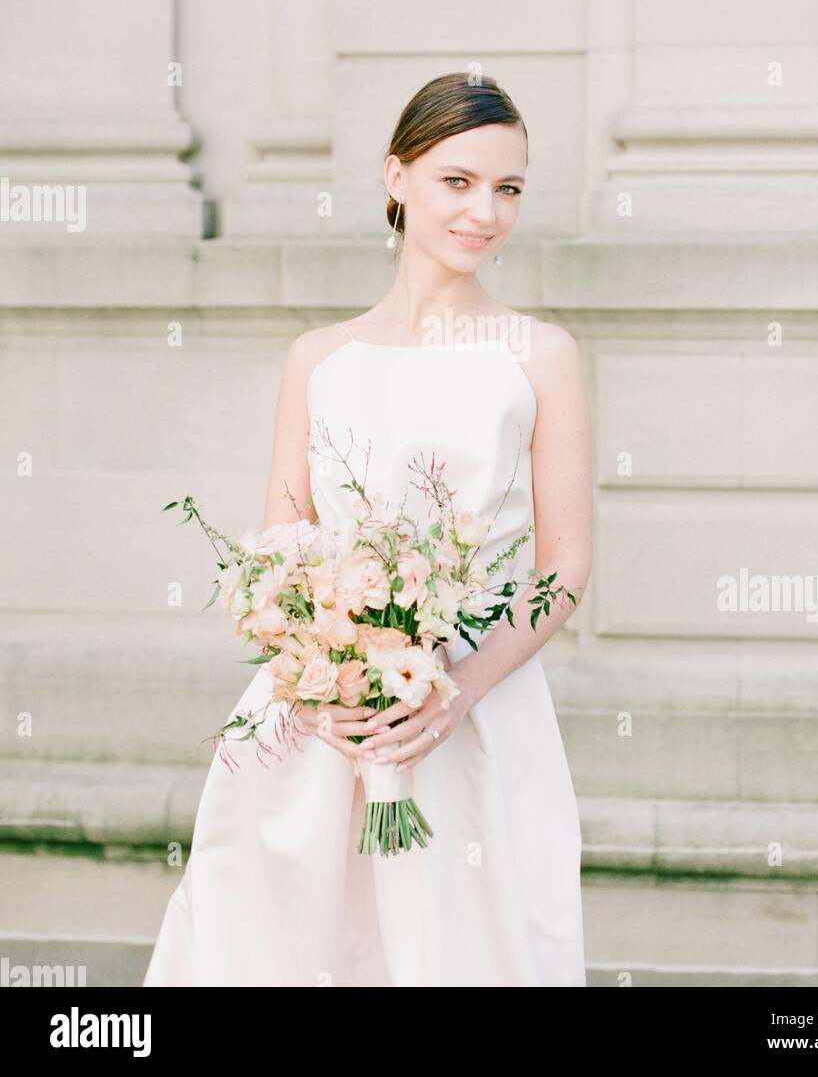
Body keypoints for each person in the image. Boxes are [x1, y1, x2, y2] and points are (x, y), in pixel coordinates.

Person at [142, 71, 593, 986]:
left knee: (470, 946)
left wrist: (456, 691)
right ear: (397, 177)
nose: (486, 213)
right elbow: (281, 555)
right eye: (457, 182)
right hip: (319, 723)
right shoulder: (319, 359)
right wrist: (325, 678)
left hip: (473, 719)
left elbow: (565, 566)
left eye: (508, 189)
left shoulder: (540, 354)